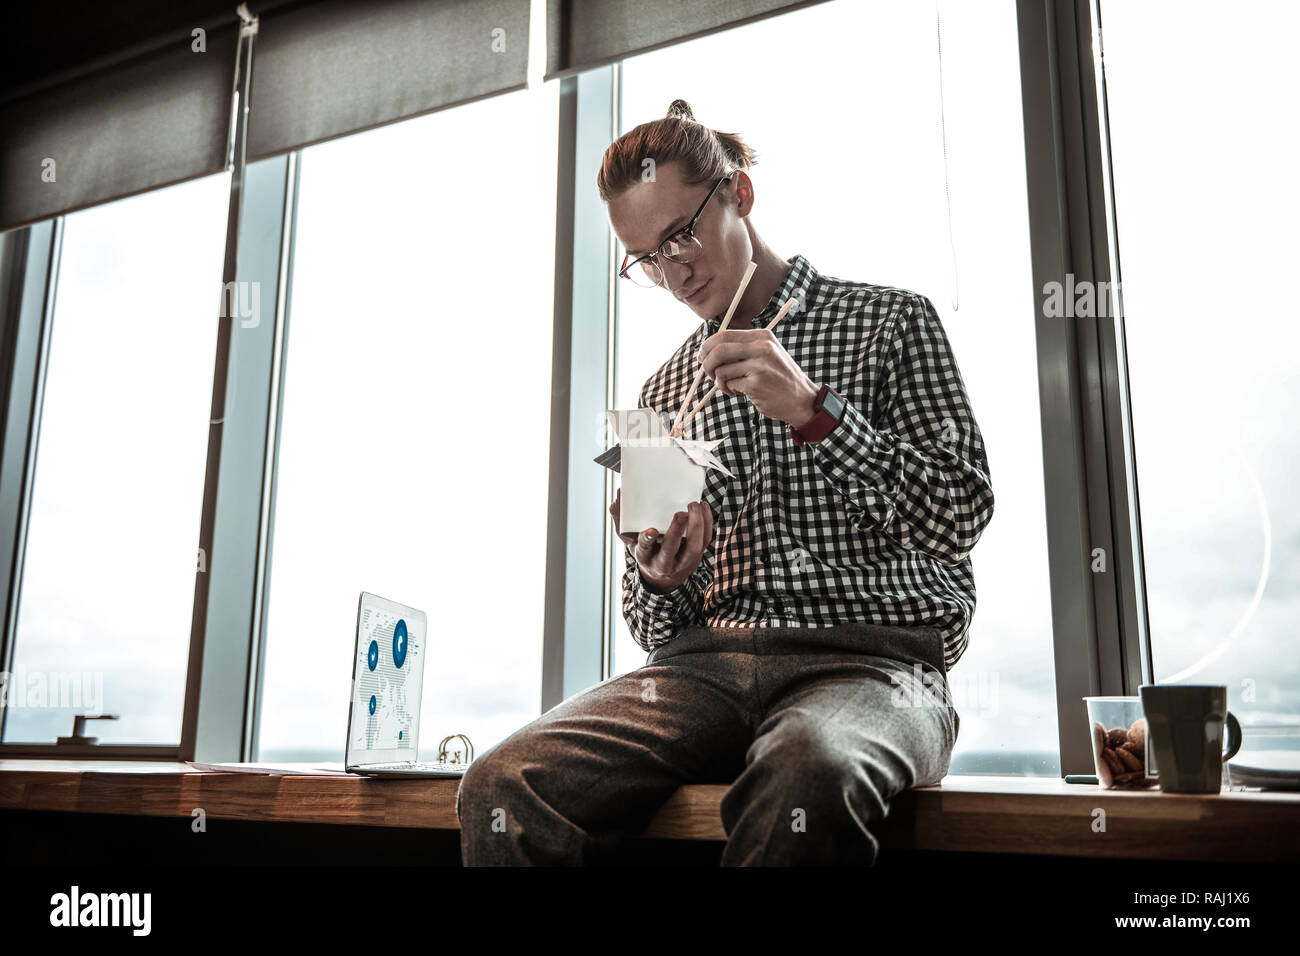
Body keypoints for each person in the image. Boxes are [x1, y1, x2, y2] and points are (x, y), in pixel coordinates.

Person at [456, 98, 995, 866]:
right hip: (702, 672)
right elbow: (652, 629)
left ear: (739, 196)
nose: (673, 272)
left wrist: (815, 412)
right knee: (503, 784)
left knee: (810, 769)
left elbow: (961, 512)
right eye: (646, 259)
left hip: (876, 666)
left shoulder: (891, 321)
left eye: (681, 235)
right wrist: (658, 573)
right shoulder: (663, 391)